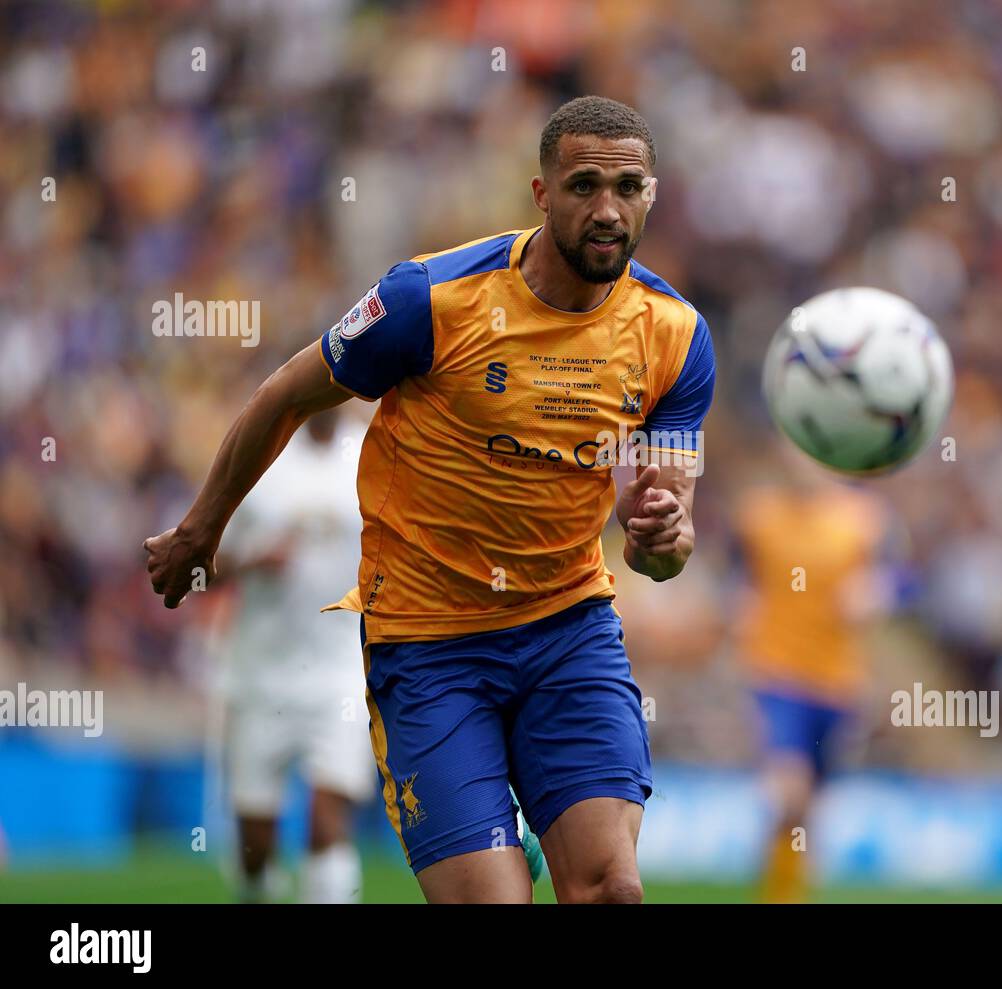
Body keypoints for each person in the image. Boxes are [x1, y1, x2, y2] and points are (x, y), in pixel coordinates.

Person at [145, 95, 715, 904]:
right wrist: (202, 529)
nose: (607, 209)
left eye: (629, 187)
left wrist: (661, 531)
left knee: (612, 888)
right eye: (584, 185)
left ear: (652, 194)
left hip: (568, 629)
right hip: (430, 641)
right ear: (541, 193)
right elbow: (285, 396)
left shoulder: (677, 337)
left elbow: (663, 551)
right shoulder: (429, 300)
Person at [216, 410, 374, 903]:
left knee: (328, 818)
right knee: (254, 844)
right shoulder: (261, 458)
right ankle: (255, 884)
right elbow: (204, 561)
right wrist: (252, 560)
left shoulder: (371, 453)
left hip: (340, 672)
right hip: (260, 674)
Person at [733, 440, 889, 902]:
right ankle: (775, 892)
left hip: (839, 682)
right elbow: (739, 574)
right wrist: (740, 606)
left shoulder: (863, 519)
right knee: (789, 792)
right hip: (777, 673)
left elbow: (899, 577)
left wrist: (872, 594)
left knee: (809, 809)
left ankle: (788, 889)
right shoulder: (759, 515)